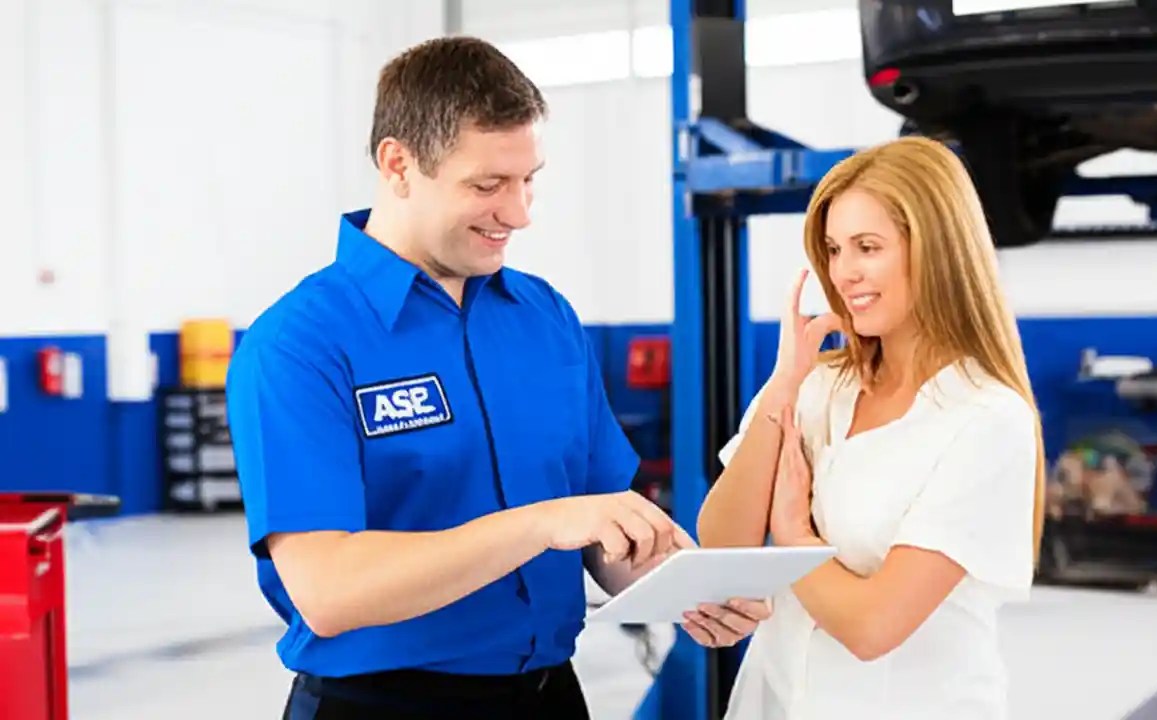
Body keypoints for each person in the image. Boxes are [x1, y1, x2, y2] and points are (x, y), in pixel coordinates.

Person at [225, 36, 768, 719]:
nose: (518, 213)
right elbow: (330, 592)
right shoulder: (300, 345)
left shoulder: (545, 318)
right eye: (487, 185)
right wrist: (541, 525)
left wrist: (687, 583)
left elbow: (603, 529)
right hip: (381, 706)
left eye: (528, 179)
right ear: (398, 164)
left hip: (548, 696)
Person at [696, 135, 1046, 719]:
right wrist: (784, 383)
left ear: (934, 251)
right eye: (834, 249)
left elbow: (872, 626)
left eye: (867, 247)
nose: (844, 272)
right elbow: (722, 541)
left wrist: (791, 536)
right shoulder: (818, 385)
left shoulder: (986, 418)